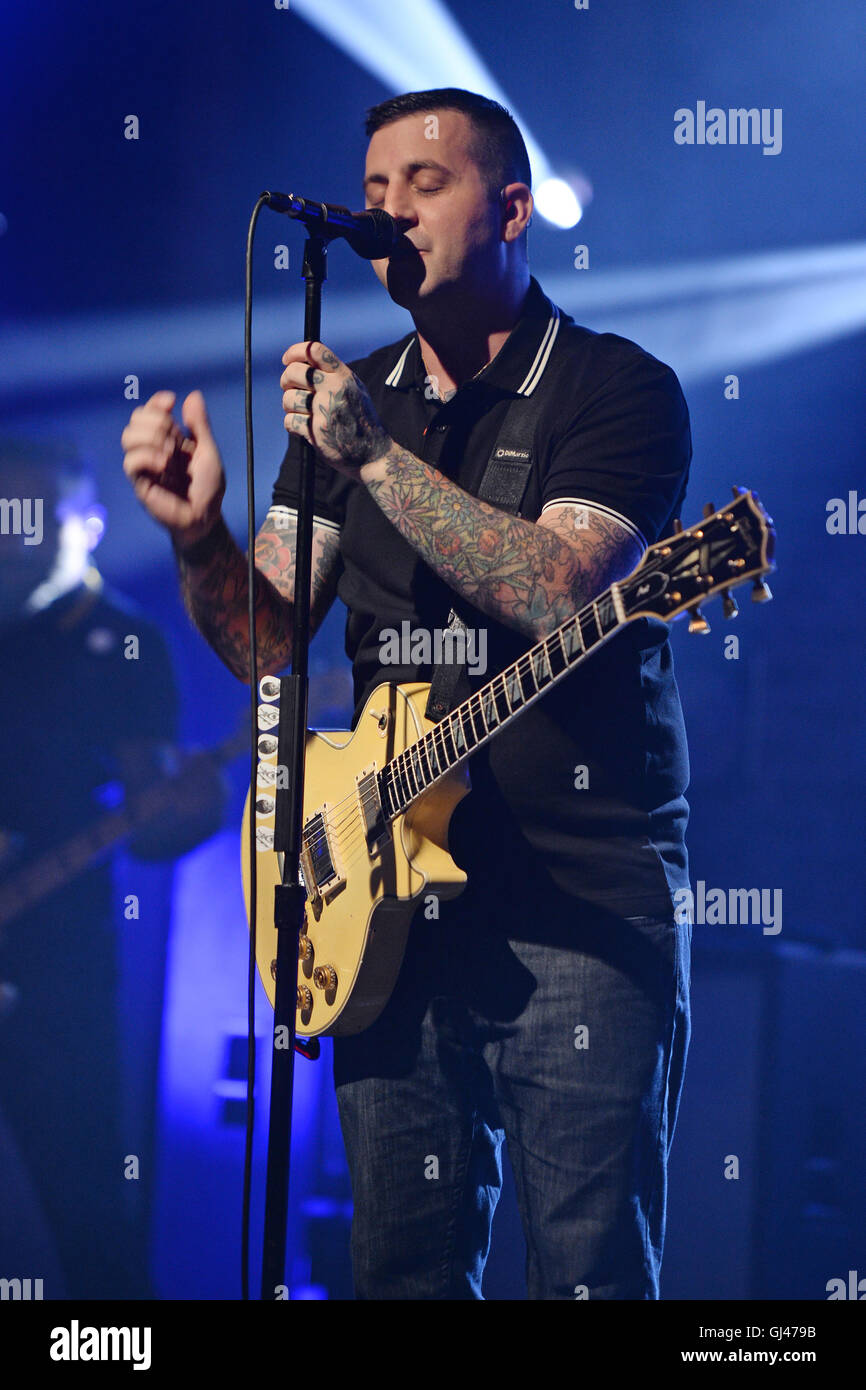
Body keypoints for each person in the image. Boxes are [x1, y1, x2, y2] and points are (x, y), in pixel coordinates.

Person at [122, 87, 693, 1300]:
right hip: (382, 908)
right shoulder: (356, 395)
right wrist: (196, 534)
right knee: (399, 1275)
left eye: (423, 185)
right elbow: (266, 639)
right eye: (373, 192)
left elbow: (550, 591)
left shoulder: (613, 388)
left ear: (512, 210)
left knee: (586, 1272)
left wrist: (371, 453)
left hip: (577, 905)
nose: (387, 214)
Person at [0, 437, 224, 1297]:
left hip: (60, 957)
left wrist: (188, 812)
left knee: (83, 1197)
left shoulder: (126, 643)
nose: (13, 537)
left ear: (88, 525)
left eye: (36, 517)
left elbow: (155, 821)